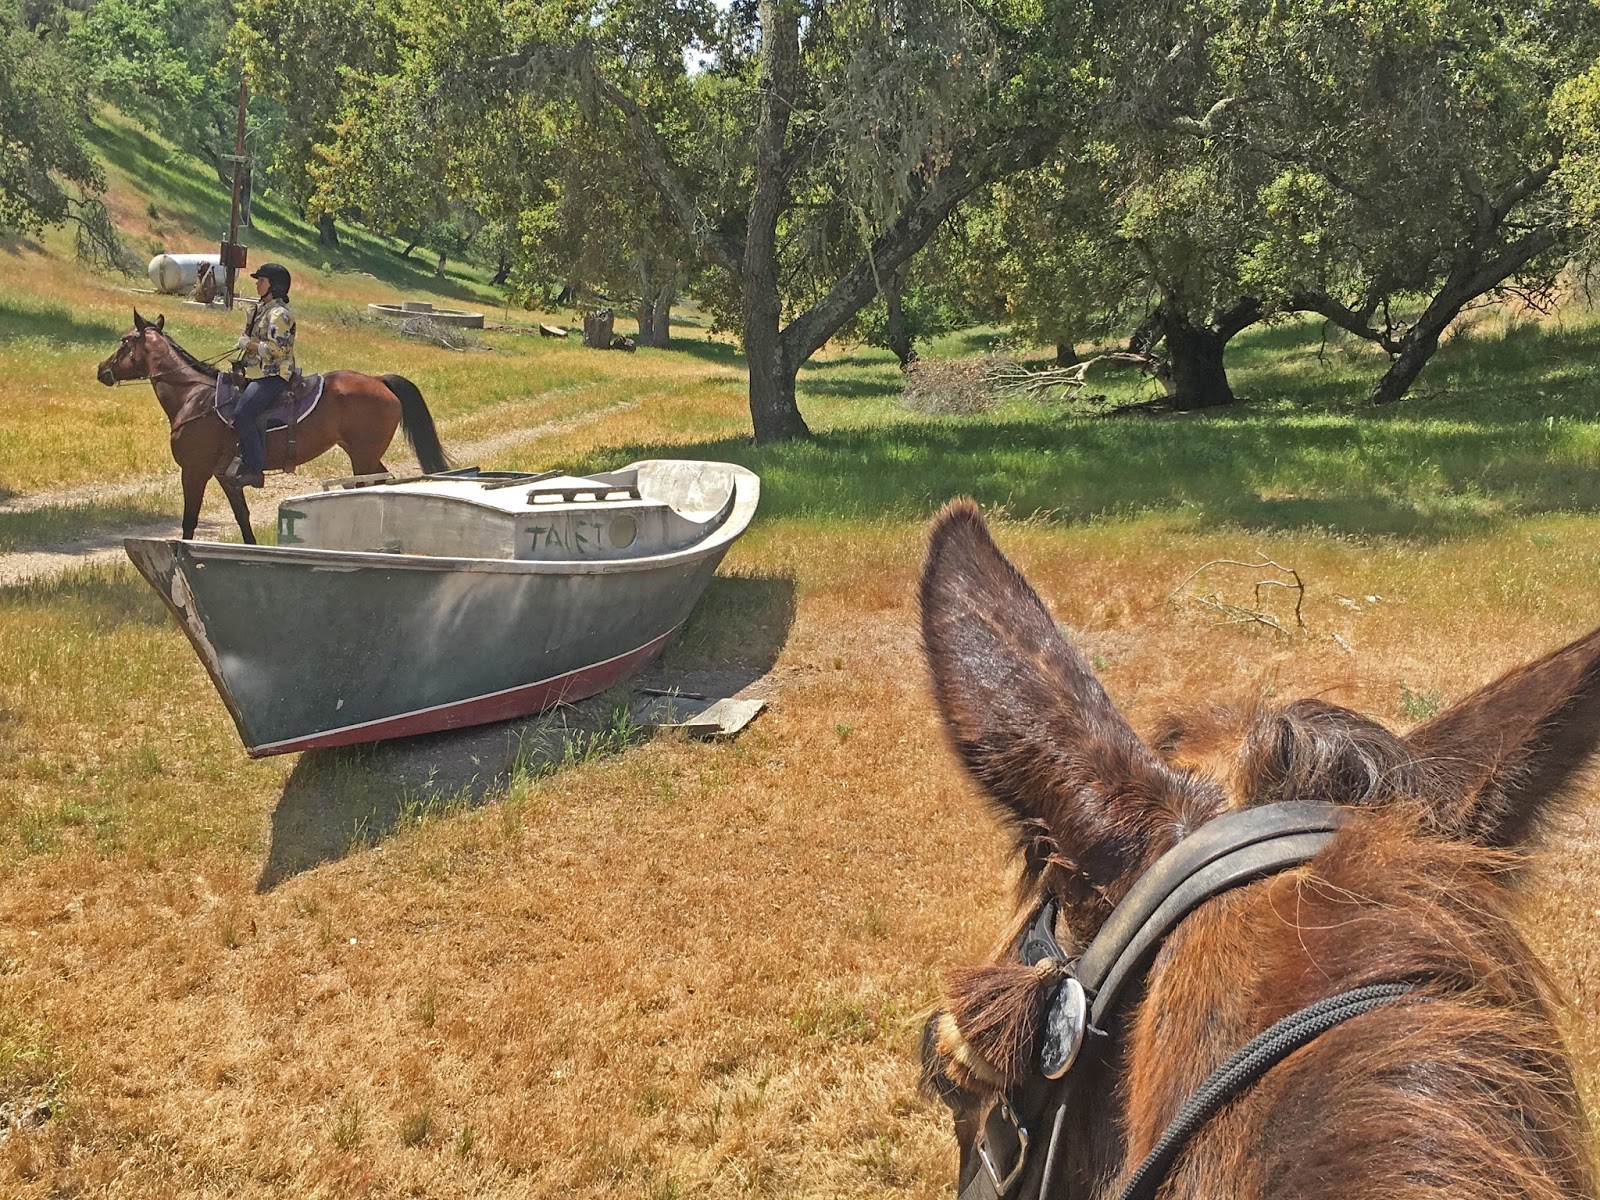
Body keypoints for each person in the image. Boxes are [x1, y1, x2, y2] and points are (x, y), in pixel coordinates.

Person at [226, 263, 297, 488]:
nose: (257, 283)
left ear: (273, 286)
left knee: (243, 413)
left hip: (273, 375)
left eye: (262, 280)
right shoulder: (261, 309)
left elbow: (278, 350)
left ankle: (255, 469)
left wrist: (251, 346)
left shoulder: (279, 315)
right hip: (255, 372)